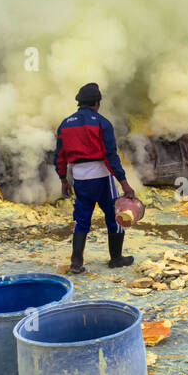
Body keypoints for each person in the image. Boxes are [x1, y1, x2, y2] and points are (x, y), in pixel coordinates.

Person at [54, 82, 138, 273]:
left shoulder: (65, 125)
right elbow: (110, 156)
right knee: (114, 216)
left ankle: (76, 263)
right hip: (101, 177)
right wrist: (124, 183)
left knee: (82, 219)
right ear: (97, 102)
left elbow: (59, 156)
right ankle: (116, 258)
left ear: (79, 103)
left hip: (79, 179)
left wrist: (63, 180)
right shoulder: (102, 122)